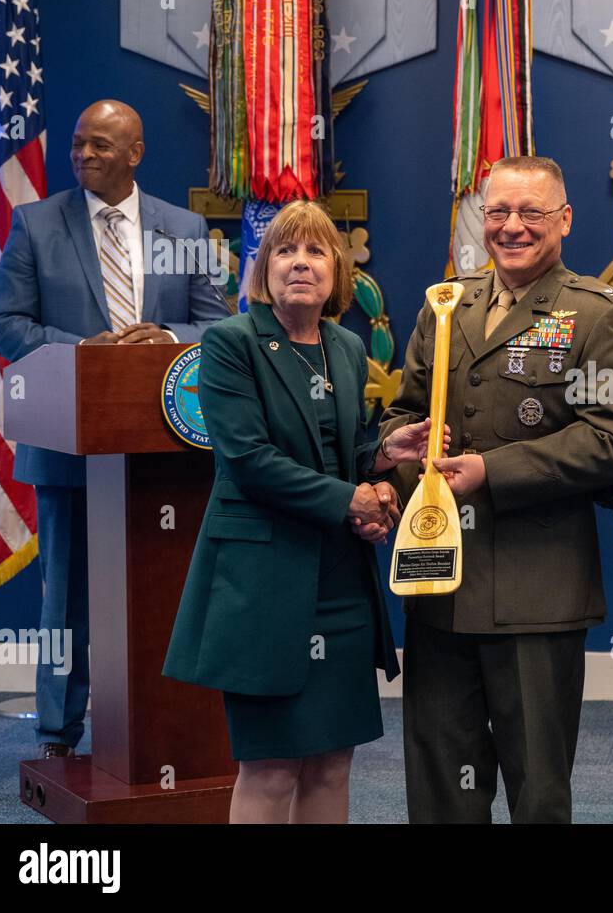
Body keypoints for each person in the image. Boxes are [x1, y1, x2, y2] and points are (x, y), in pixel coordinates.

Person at [377, 155, 613, 824]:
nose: (512, 226)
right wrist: (416, 466)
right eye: (498, 211)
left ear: (565, 220)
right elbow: (400, 417)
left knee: (538, 792)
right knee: (439, 787)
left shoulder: (597, 314)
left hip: (537, 590)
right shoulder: (445, 307)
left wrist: (495, 472)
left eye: (530, 212)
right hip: (440, 589)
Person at [163, 200, 440, 823]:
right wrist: (352, 499)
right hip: (261, 585)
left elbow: (336, 450)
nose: (300, 263)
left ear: (337, 271)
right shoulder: (231, 343)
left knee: (331, 761)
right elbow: (250, 460)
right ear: (264, 267)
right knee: (270, 767)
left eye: (316, 251)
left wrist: (380, 455)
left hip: (339, 585)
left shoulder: (344, 346)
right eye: (285, 250)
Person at [0, 100, 231, 759]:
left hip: (166, 458)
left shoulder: (182, 226)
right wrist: (83, 351)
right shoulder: (37, 223)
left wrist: (170, 336)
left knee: (163, 600)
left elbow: (220, 325)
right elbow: (4, 323)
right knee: (67, 602)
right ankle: (57, 739)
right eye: (77, 144)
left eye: (99, 145)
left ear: (135, 152)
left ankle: (165, 732)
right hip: (70, 448)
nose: (84, 156)